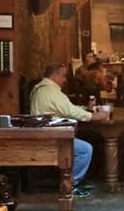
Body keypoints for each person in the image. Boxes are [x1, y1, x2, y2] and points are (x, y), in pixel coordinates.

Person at [30, 62, 108, 196]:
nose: (65, 80)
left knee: (82, 142)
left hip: (44, 134)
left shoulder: (39, 89)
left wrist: (85, 108)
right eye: (63, 76)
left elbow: (67, 108)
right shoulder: (51, 92)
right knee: (85, 149)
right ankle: (71, 183)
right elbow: (70, 111)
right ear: (55, 75)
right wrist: (94, 116)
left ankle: (73, 180)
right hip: (53, 138)